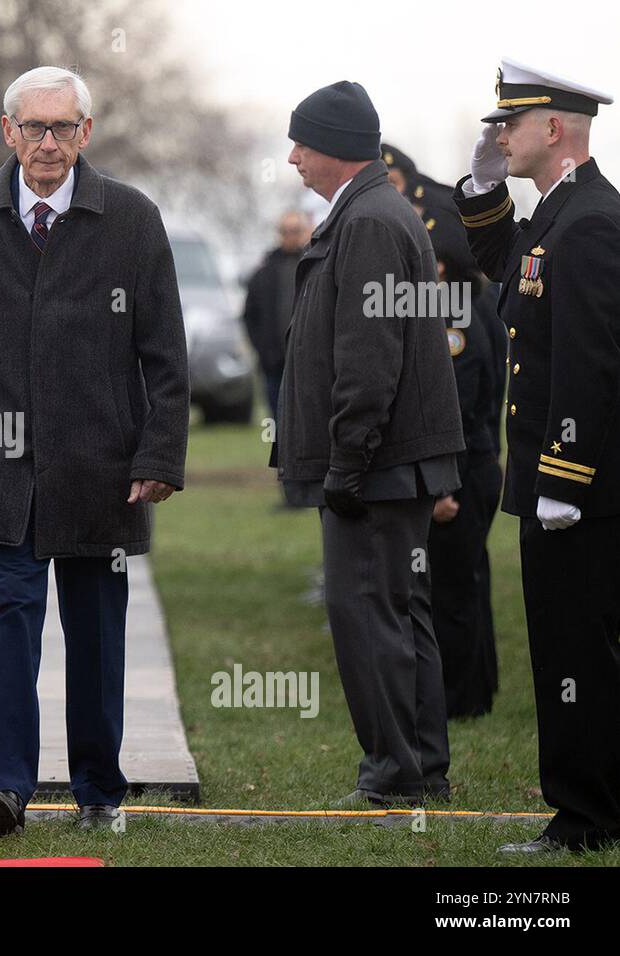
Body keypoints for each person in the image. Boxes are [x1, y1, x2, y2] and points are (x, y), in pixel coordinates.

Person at [0, 66, 191, 836]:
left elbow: (166, 354)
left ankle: (99, 791)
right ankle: (4, 785)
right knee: (9, 610)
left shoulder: (132, 219)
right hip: (2, 464)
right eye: (34, 128)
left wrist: (158, 456)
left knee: (97, 631)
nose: (48, 143)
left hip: (104, 468)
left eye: (64, 128)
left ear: (86, 133)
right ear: (6, 132)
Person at [274, 81, 465, 808]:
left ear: (336, 148)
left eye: (302, 142)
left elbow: (368, 358)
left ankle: (396, 776)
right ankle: (417, 770)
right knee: (396, 610)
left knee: (370, 617)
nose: (292, 157)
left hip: (378, 468)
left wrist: (347, 464)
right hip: (389, 465)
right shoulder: (370, 213)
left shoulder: (371, 223)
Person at [454, 58, 620, 854]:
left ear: (553, 129)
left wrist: (563, 475)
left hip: (577, 491)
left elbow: (593, 362)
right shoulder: (561, 213)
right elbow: (510, 278)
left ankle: (587, 818)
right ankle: (587, 808)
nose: (498, 136)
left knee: (577, 650)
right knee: (566, 646)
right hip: (559, 486)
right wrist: (485, 192)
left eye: (508, 124)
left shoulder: (589, 222)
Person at [419, 199, 505, 720]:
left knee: (451, 589)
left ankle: (456, 701)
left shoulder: (452, 318)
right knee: (469, 579)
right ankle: (477, 688)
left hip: (462, 473)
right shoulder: (475, 304)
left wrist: (442, 488)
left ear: (442, 264)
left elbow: (457, 410)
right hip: (476, 467)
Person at [242, 210, 311, 419]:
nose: (290, 236)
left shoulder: (314, 266)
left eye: (295, 231)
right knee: (276, 423)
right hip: (273, 363)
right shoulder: (263, 272)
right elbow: (250, 315)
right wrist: (263, 350)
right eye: (285, 231)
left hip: (305, 363)